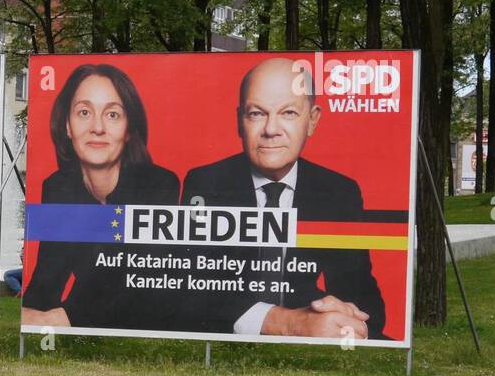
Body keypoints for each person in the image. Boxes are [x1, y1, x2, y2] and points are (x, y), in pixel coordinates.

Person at [180, 57, 387, 339]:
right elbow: (193, 289)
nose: (271, 129)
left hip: (312, 322)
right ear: (240, 121)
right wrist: (289, 324)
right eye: (256, 113)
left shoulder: (339, 192)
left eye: (288, 113)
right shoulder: (206, 183)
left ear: (312, 120)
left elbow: (362, 295)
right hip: (226, 334)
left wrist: (343, 314)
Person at [21, 63, 180, 329]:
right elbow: (49, 274)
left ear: (129, 129)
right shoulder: (58, 187)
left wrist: (60, 318)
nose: (97, 127)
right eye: (84, 112)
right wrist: (28, 319)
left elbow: (132, 278)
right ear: (67, 126)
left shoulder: (158, 185)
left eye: (113, 115)